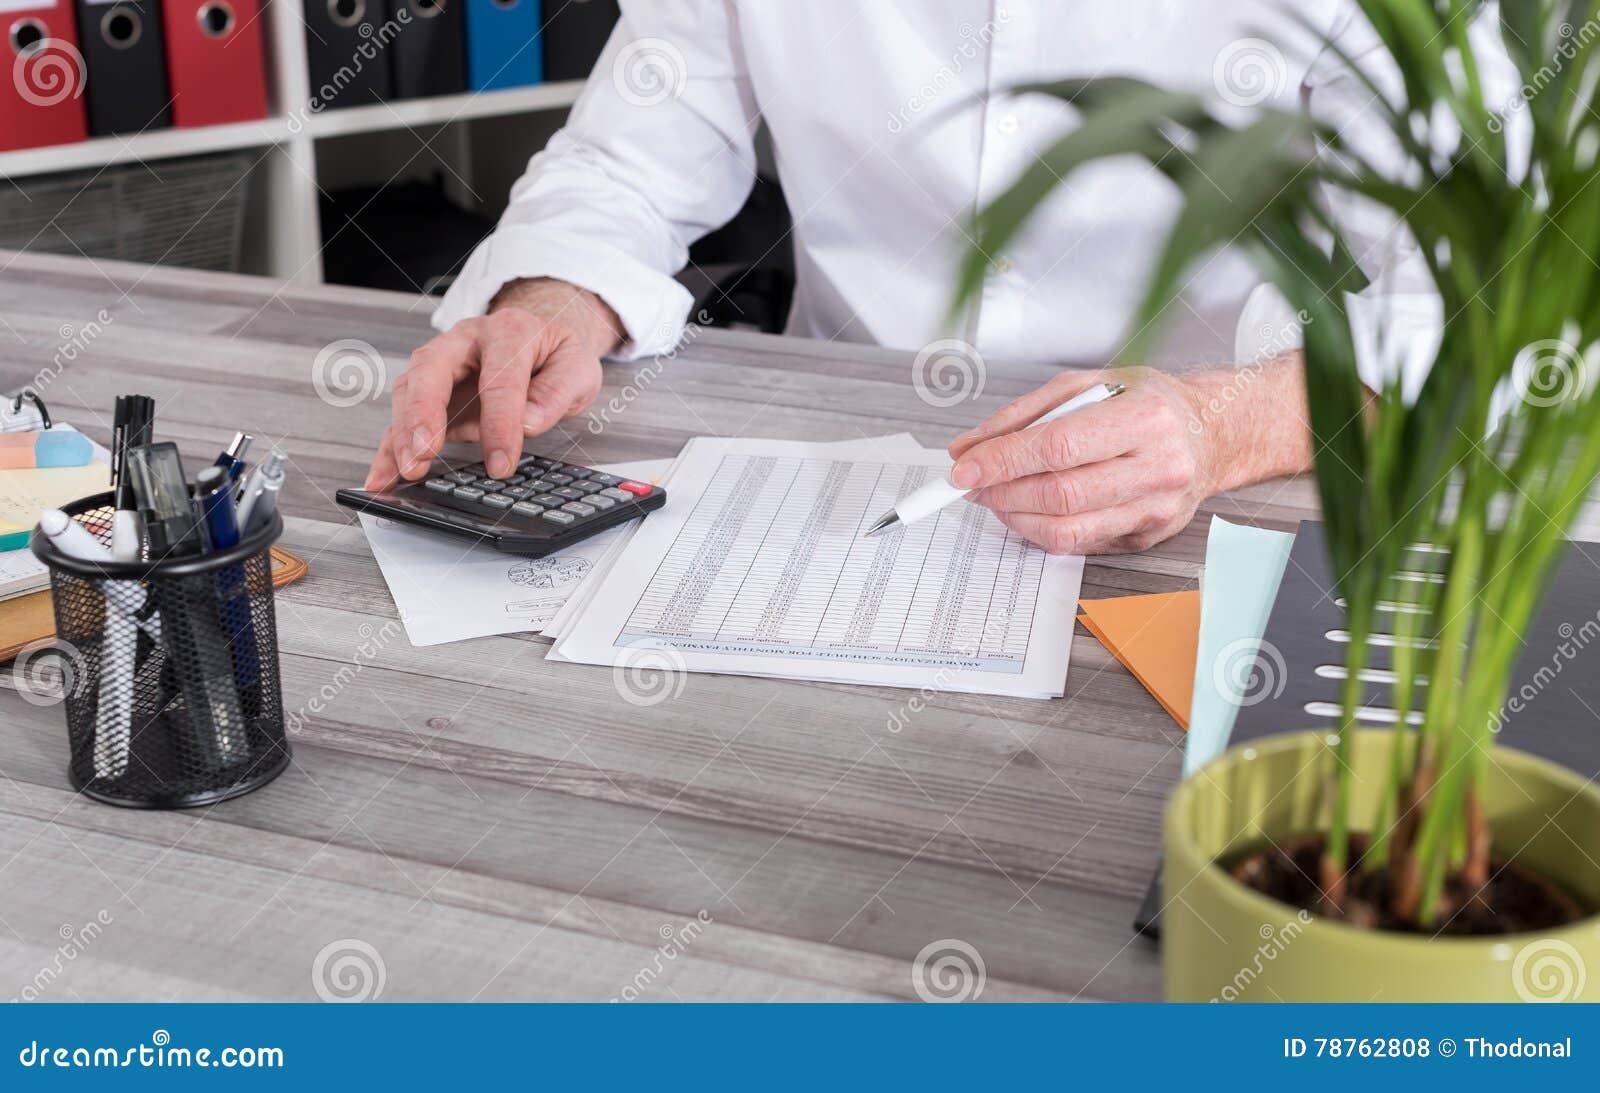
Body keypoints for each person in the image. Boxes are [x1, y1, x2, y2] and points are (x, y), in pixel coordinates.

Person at [365, 1, 1433, 554]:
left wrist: (1225, 427)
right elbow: (629, 160)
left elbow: (1483, 302)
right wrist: (551, 298)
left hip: (1205, 505)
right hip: (830, 474)